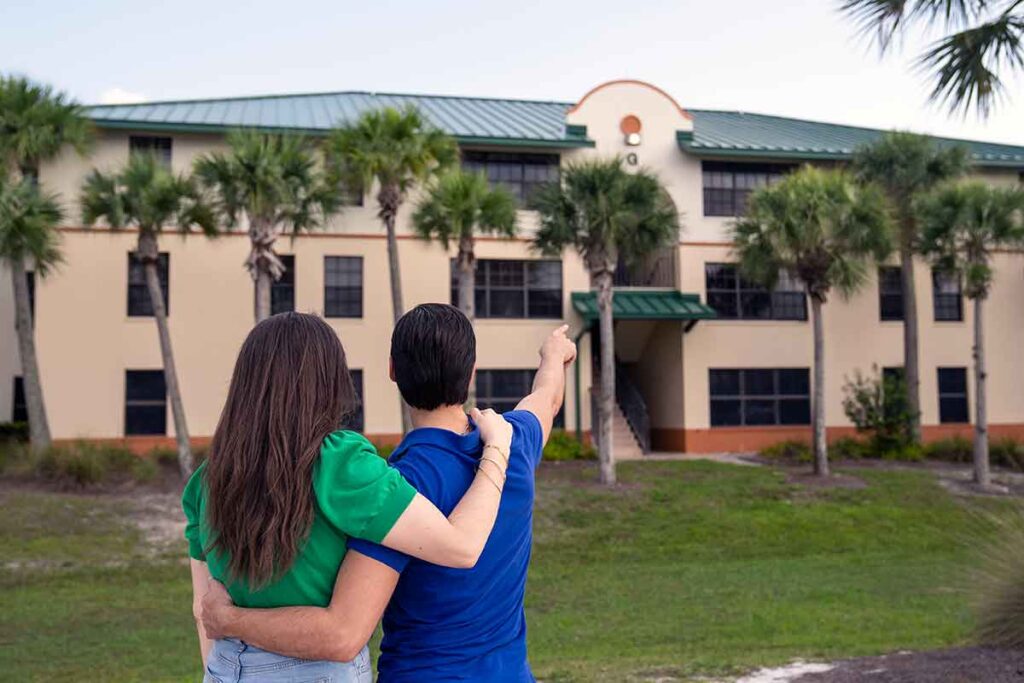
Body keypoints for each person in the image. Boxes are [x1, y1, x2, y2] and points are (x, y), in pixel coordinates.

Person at [200, 303, 577, 682]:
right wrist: (554, 353)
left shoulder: (396, 487)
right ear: (471, 370)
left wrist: (230, 618)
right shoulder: (514, 440)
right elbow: (547, 399)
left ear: (392, 371)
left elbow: (344, 627)